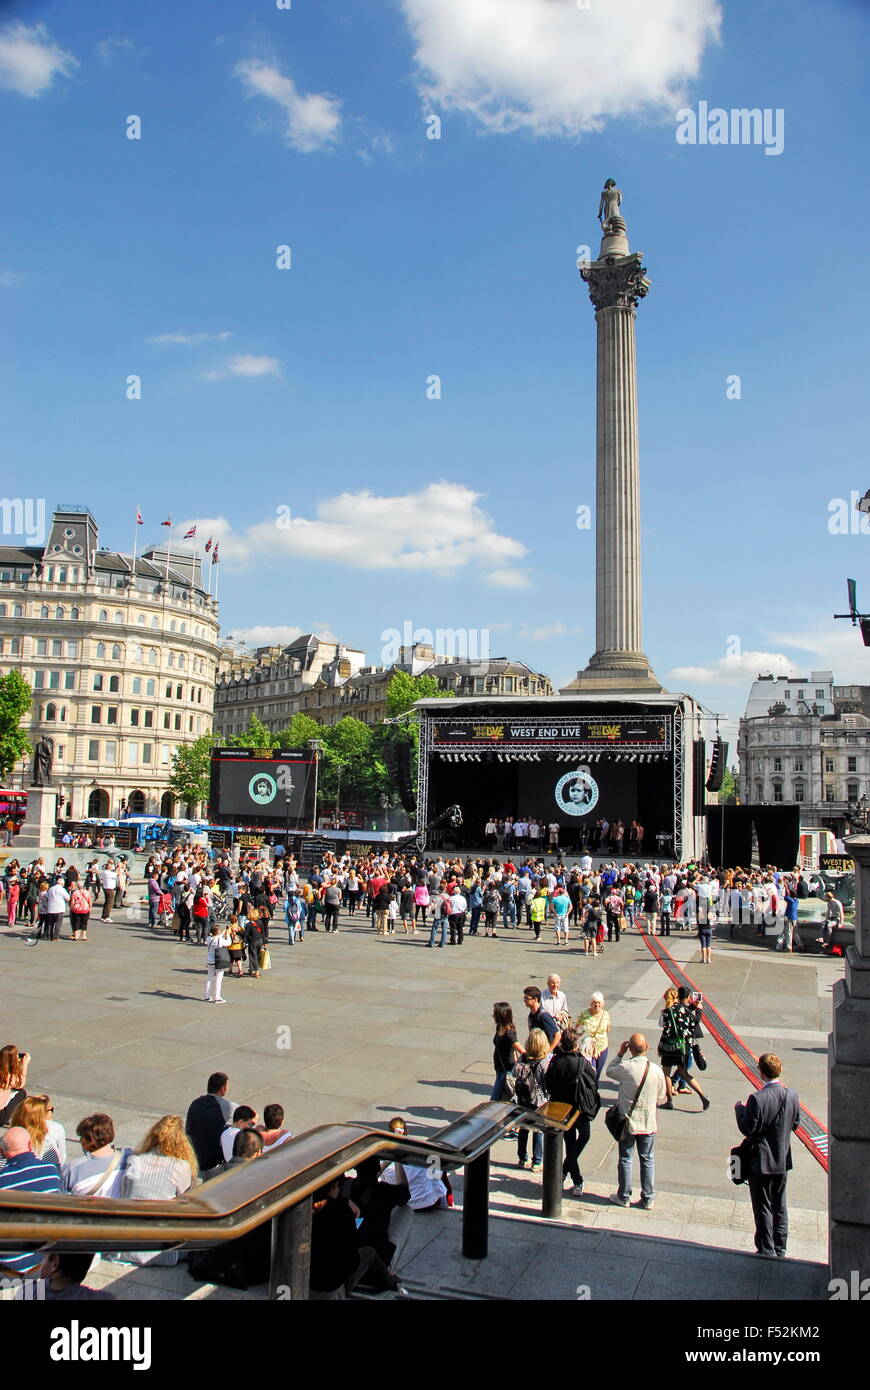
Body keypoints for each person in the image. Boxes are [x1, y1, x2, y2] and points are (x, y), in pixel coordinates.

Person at [734, 1053, 801, 1259]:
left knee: (762, 1206)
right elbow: (796, 1124)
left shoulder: (757, 1098)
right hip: (782, 1159)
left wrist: (739, 1110)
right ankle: (780, 1247)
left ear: (761, 1072)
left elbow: (748, 1128)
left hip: (761, 1162)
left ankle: (766, 1248)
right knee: (779, 1204)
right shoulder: (792, 1096)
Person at [606, 1033, 668, 1209]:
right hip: (648, 1123)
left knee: (626, 1158)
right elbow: (662, 1095)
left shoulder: (626, 1067)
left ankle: (624, 1195)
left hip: (628, 1122)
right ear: (647, 1047)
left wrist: (619, 1053)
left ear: (630, 1049)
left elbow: (610, 1070)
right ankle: (648, 1197)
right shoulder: (656, 1070)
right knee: (647, 1158)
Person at [545, 1027, 600, 1195]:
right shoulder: (582, 1062)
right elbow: (593, 1084)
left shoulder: (555, 1061)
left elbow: (549, 1083)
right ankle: (575, 1178)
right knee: (584, 1136)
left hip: (561, 1109)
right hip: (579, 1108)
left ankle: (565, 1173)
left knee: (569, 1142)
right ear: (576, 1044)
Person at [0, 1128, 62, 1274]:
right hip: (41, 1261)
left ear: (2, 1151)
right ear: (29, 1145)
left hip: (8, 1267)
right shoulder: (51, 1171)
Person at [657, 987, 710, 1110]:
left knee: (666, 1074)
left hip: (669, 1047)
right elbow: (694, 1023)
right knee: (684, 1073)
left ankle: (669, 1101)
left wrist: (660, 1047)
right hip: (683, 1047)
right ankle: (703, 1096)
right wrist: (699, 1010)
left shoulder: (666, 1011)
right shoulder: (685, 1010)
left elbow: (663, 1027)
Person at [62, 1113, 131, 1196]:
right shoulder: (128, 1157)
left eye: (82, 1137)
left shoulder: (73, 1169)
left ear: (91, 1140)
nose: (80, 1141)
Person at [514, 1029, 551, 1170]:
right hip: (538, 1100)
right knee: (538, 1130)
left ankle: (522, 1158)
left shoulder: (523, 1058)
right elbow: (546, 1082)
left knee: (523, 1128)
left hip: (523, 1097)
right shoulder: (543, 1062)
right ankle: (537, 1161)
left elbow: (514, 1072)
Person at [14, 1251, 115, 1302]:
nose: (42, 1262)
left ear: (54, 1264)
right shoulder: (102, 1298)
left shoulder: (27, 1291)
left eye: (45, 1257)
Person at [185, 1073, 233, 1172]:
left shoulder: (195, 1104)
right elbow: (247, 1114)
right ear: (223, 1089)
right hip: (212, 1160)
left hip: (194, 1156)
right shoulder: (226, 1105)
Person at [8, 1093, 67, 1170]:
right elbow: (61, 1160)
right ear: (41, 1114)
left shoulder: (7, 1139)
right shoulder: (54, 1131)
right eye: (50, 1110)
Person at [576, 992, 611, 1080]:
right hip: (588, 1048)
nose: (597, 1005)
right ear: (591, 1003)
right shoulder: (584, 1014)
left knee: (598, 1071)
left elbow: (607, 1030)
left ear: (602, 1004)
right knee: (590, 1071)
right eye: (595, 1002)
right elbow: (576, 1027)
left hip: (602, 1047)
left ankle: (594, 1089)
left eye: (599, 1002)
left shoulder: (606, 1015)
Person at [491, 1002, 520, 1101]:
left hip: (506, 1070)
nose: (493, 1016)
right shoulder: (499, 1027)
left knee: (494, 1100)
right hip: (499, 1070)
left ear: (501, 1015)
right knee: (502, 1098)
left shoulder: (509, 1033)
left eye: (495, 1014)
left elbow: (522, 1051)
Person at [523, 986, 561, 1052]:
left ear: (535, 1000)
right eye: (524, 998)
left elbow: (557, 1035)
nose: (524, 1000)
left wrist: (548, 1052)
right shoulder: (531, 1015)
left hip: (544, 1053)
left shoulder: (543, 1016)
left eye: (527, 998)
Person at [0, 1044, 30, 1125]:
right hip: (1, 1116)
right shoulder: (8, 1076)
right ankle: (17, 1117)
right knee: (21, 1093)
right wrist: (24, 1066)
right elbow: (20, 1085)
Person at [205, 921, 232, 1003]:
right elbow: (228, 943)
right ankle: (217, 997)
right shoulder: (220, 940)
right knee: (218, 979)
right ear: (218, 932)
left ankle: (207, 996)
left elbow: (216, 936)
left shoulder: (209, 938)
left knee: (209, 978)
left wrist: (224, 931)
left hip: (210, 961)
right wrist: (228, 935)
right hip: (218, 961)